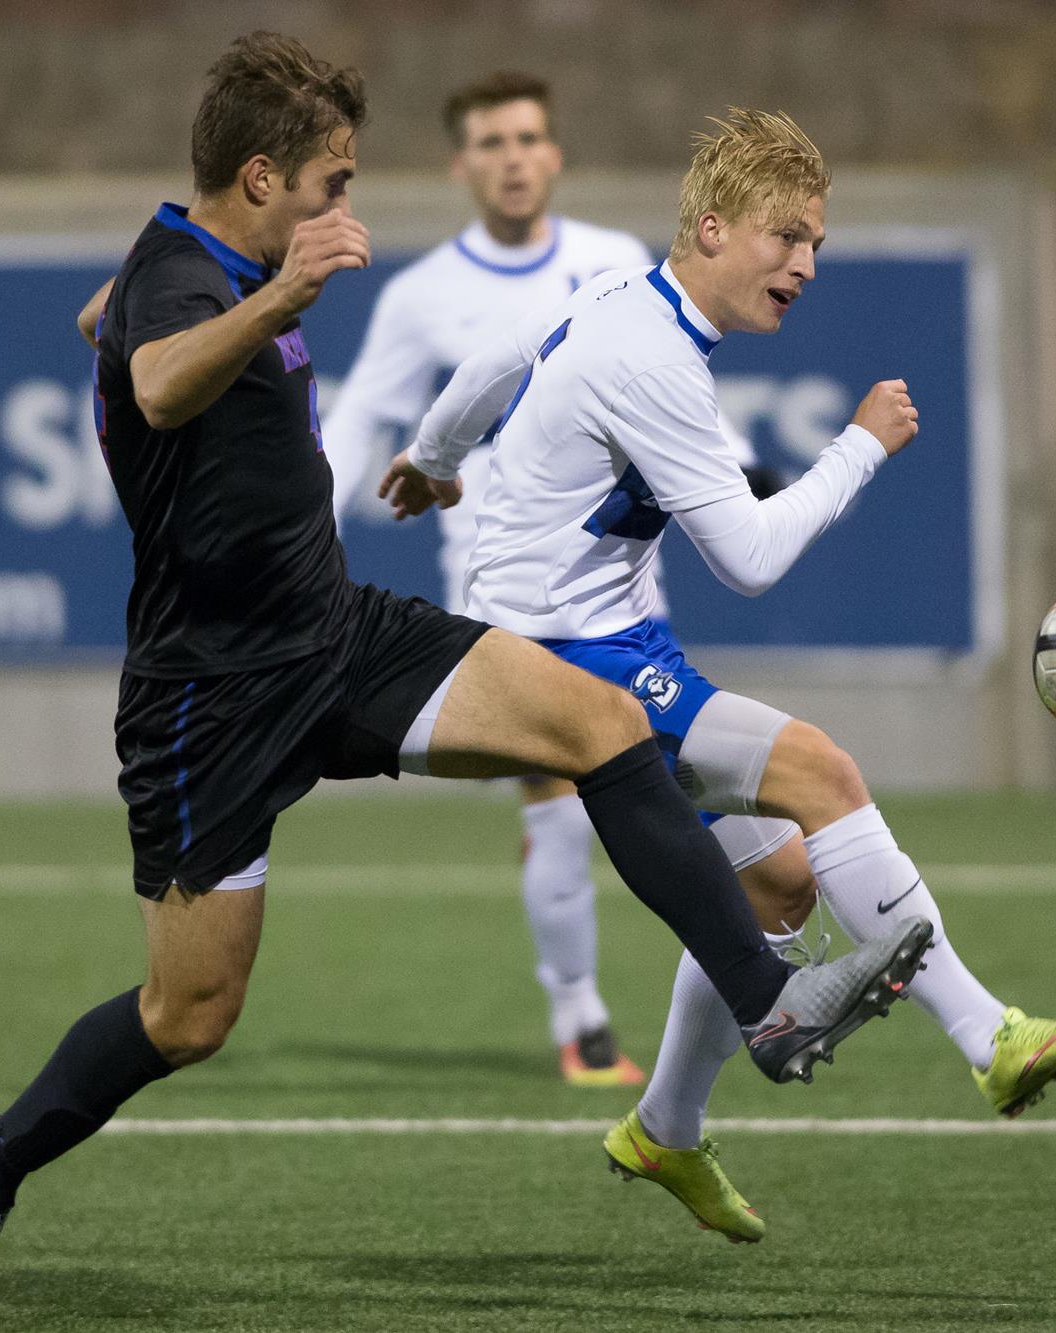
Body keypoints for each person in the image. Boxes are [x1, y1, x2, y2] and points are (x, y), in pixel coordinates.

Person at [0, 38, 929, 1321]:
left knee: (599, 719)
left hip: (337, 634)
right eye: (330, 183)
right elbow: (158, 384)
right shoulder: (203, 279)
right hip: (209, 698)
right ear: (262, 175)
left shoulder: (187, 265)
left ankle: (768, 1003)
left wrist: (185, 309)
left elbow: (115, 328)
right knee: (189, 1014)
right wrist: (272, 300)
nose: (346, 207)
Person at [382, 106, 1056, 1246]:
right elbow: (752, 560)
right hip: (561, 663)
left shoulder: (619, 295)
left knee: (774, 886)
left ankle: (663, 1130)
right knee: (821, 772)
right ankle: (990, 1038)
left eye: (815, 243)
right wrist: (860, 443)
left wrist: (430, 461)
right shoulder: (652, 358)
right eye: (785, 238)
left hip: (605, 639)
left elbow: (492, 361)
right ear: (712, 230)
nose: (804, 265)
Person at [323, 71, 782, 1087]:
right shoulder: (419, 296)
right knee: (556, 799)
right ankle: (580, 1016)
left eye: (527, 137)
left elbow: (683, 394)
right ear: (461, 164)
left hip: (621, 582)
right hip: (502, 596)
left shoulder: (610, 263)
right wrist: (308, 503)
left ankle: (752, 984)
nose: (512, 157)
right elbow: (363, 415)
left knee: (681, 797)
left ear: (554, 152)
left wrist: (744, 460)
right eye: (489, 142)